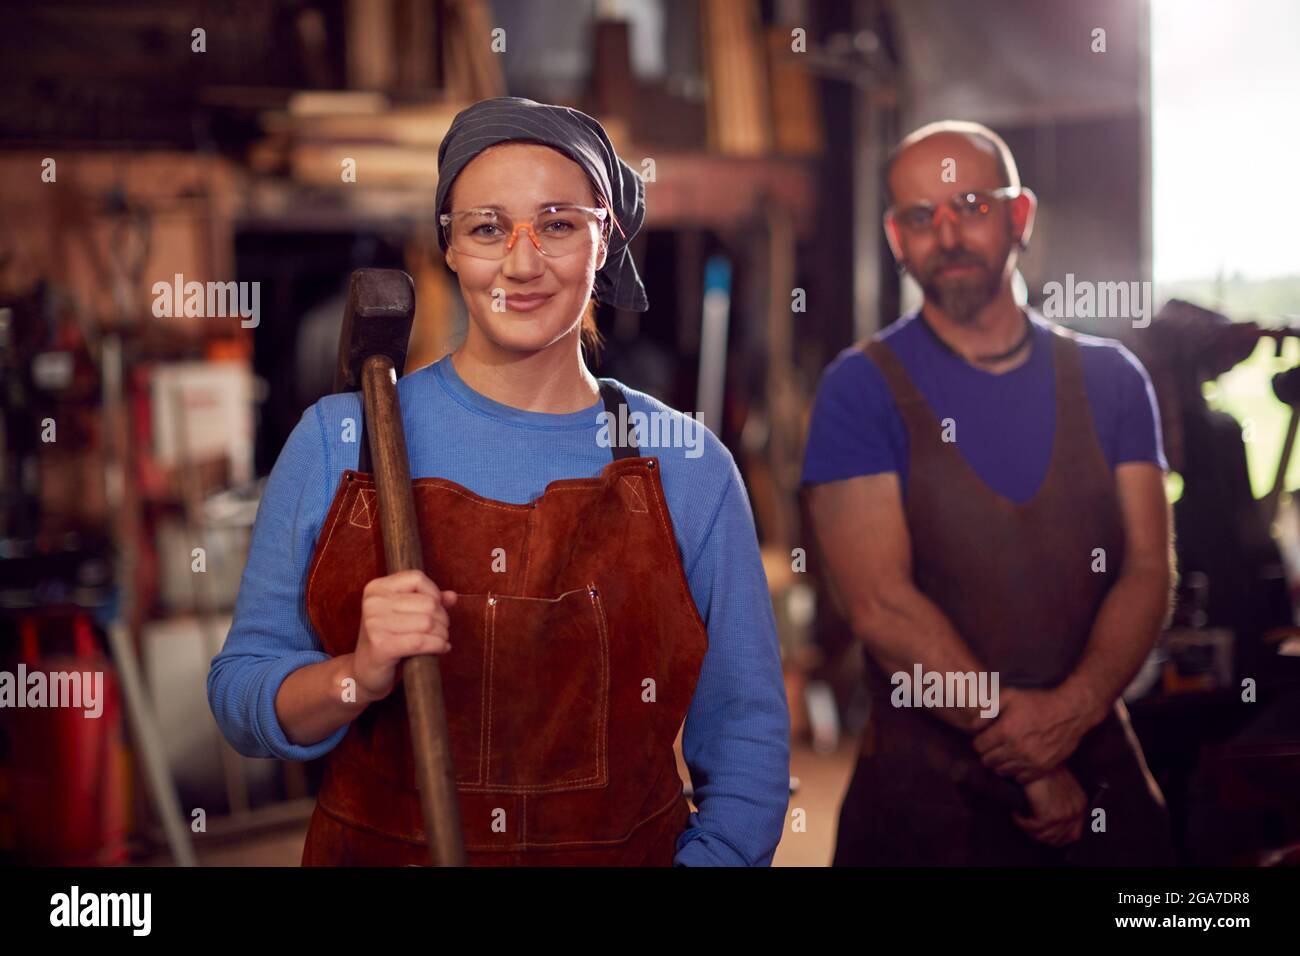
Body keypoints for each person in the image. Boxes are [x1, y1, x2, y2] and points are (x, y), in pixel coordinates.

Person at [208, 97, 789, 866]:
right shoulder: (338, 442)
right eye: (487, 227)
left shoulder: (687, 463)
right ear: (448, 247)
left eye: (556, 223)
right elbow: (241, 699)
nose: (521, 263)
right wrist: (356, 674)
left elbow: (746, 739)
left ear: (603, 236)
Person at [802, 120, 1176, 865]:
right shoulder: (859, 388)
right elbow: (882, 603)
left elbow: (1146, 568)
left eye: (970, 204)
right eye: (920, 216)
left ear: (1020, 215)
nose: (946, 233)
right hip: (924, 803)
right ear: (896, 238)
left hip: (1099, 773)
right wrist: (1033, 758)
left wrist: (1072, 712)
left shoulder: (1113, 380)